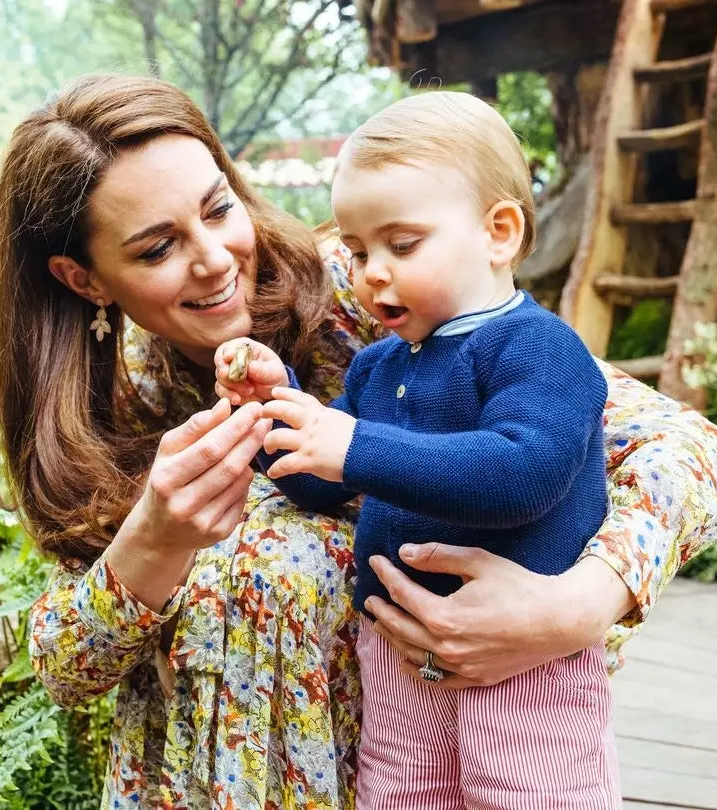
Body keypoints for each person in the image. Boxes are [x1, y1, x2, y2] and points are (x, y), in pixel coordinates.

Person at [0, 73, 717, 810]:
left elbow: (691, 449)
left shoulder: (379, 288)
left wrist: (579, 606)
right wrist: (153, 541)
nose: (214, 259)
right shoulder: (103, 409)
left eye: (218, 209)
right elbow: (66, 667)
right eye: (157, 249)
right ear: (84, 280)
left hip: (460, 736)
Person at [215, 91, 619, 808]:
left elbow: (525, 473)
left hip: (524, 659)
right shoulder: (378, 367)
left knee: (533, 793)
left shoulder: (538, 348)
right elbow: (319, 481)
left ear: (498, 233)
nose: (373, 272)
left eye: (402, 245)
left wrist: (356, 448)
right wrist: (273, 411)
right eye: (359, 250)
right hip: (397, 650)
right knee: (403, 793)